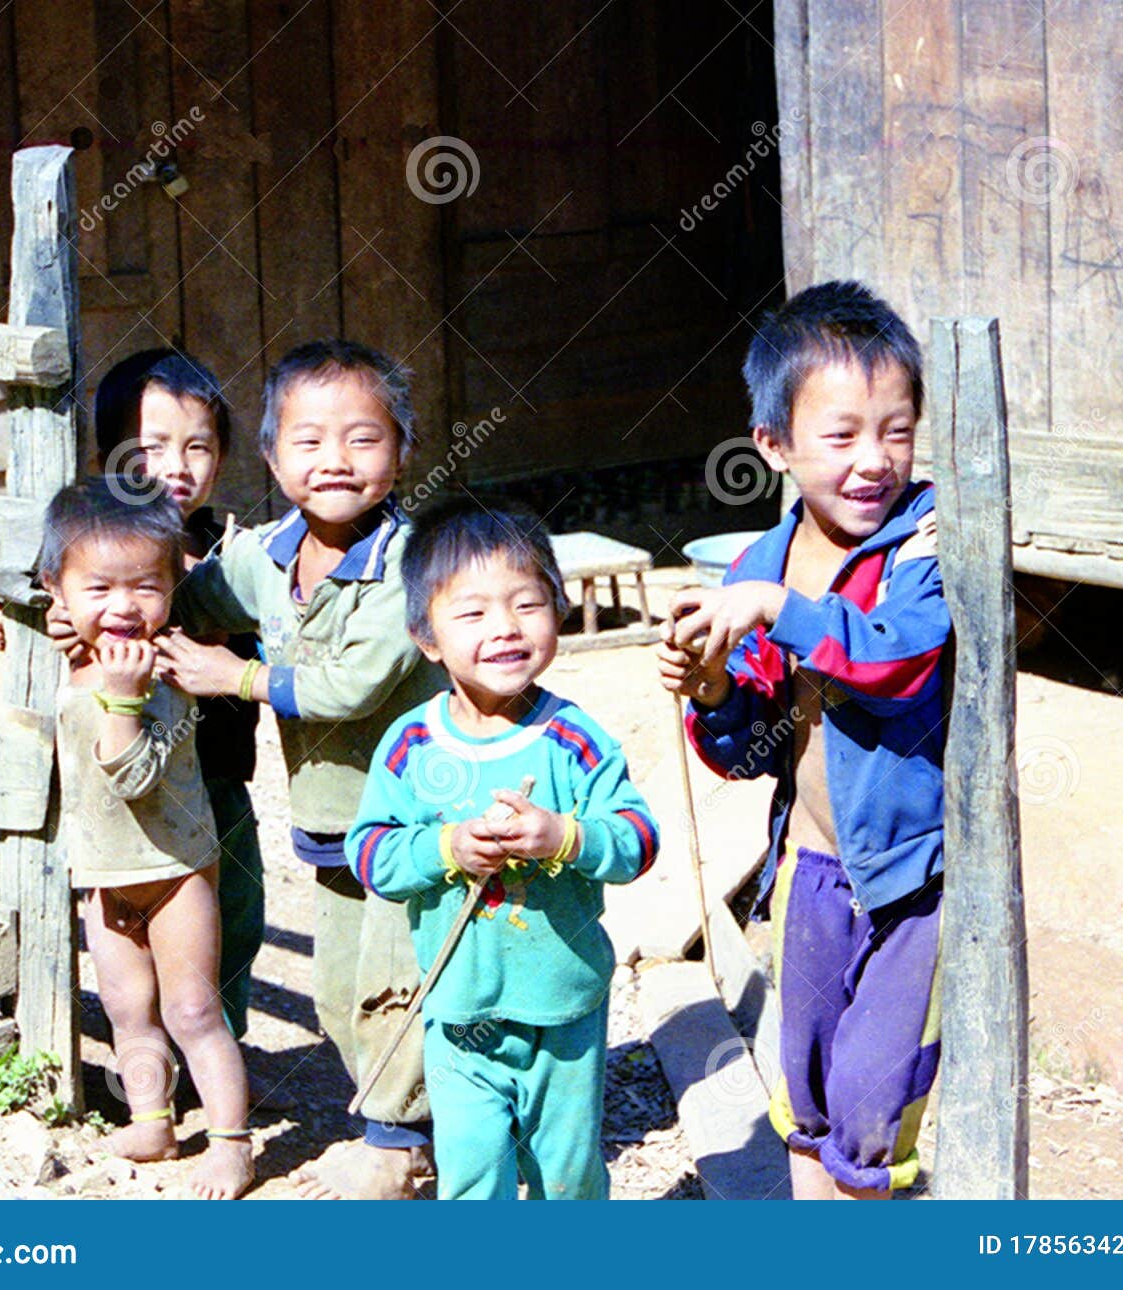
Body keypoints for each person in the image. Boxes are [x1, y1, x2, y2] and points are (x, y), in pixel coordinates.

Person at [657, 280, 949, 1199]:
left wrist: (779, 612)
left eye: (895, 430)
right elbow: (746, 750)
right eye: (843, 434)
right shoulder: (758, 563)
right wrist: (709, 691)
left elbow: (897, 664)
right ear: (775, 446)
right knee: (808, 1091)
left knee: (874, 1101)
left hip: (910, 878)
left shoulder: (926, 546)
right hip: (810, 871)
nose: (875, 460)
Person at [160, 340, 444, 1199]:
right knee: (335, 993)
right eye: (309, 441)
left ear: (401, 450)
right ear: (275, 456)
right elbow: (190, 601)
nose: (335, 461)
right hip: (329, 820)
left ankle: (400, 1144)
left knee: (396, 982)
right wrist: (87, 608)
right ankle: (416, 1120)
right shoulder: (264, 557)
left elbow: (354, 682)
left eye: (363, 439)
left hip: (412, 817)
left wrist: (237, 676)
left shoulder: (406, 564)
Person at [351, 501, 658, 1199]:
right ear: (426, 637)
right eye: (474, 613)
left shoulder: (575, 741)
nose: (506, 628)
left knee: (566, 1171)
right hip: (460, 1012)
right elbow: (370, 855)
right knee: (472, 1168)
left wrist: (566, 837)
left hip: (564, 1006)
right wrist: (448, 847)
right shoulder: (411, 745)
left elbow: (638, 841)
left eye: (527, 603)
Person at [39, 477, 252, 1200]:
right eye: (99, 588)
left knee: (192, 1010)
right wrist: (53, 625)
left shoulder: (163, 671)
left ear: (174, 585)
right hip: (105, 873)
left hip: (174, 872)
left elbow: (131, 776)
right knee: (128, 1013)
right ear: (58, 591)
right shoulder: (74, 651)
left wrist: (124, 700)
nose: (124, 607)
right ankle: (152, 1120)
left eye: (146, 587)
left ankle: (231, 1143)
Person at [91, 348, 265, 1044]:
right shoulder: (99, 549)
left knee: (235, 911)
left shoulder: (237, 550)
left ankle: (224, 1058)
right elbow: (48, 599)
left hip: (218, 772)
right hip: (128, 780)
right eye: (153, 446)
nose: (177, 467)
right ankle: (147, 1069)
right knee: (135, 928)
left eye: (198, 446)